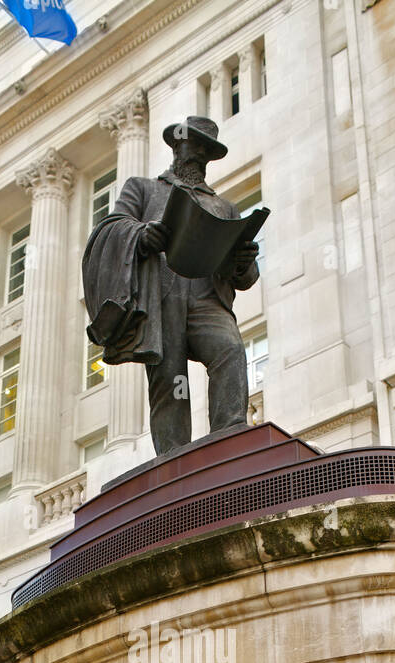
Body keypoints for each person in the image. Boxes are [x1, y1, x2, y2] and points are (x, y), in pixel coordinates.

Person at [82, 115, 260, 456]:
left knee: (230, 350)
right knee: (170, 380)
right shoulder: (144, 188)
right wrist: (142, 235)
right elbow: (113, 229)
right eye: (192, 145)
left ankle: (231, 439)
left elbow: (247, 277)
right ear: (177, 146)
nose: (197, 154)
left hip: (207, 301)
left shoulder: (224, 206)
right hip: (162, 298)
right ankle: (173, 460)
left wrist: (243, 259)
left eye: (204, 149)